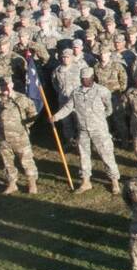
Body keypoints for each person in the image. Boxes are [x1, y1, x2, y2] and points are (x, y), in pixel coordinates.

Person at [51, 66, 121, 194]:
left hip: (99, 130)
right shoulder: (76, 92)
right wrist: (56, 117)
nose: (85, 81)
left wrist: (100, 118)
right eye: (83, 79)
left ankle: (114, 181)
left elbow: (109, 108)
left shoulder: (102, 91)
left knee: (106, 155)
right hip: (83, 130)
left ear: (93, 78)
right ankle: (85, 182)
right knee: (83, 156)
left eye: (87, 78)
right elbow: (68, 107)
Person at [0, 76, 38, 195]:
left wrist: (26, 126)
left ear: (11, 84)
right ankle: (12, 184)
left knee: (26, 160)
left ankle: (32, 183)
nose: (5, 87)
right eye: (2, 85)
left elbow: (33, 113)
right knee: (7, 163)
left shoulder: (21, 99)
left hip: (20, 137)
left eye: (7, 84)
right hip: (4, 138)